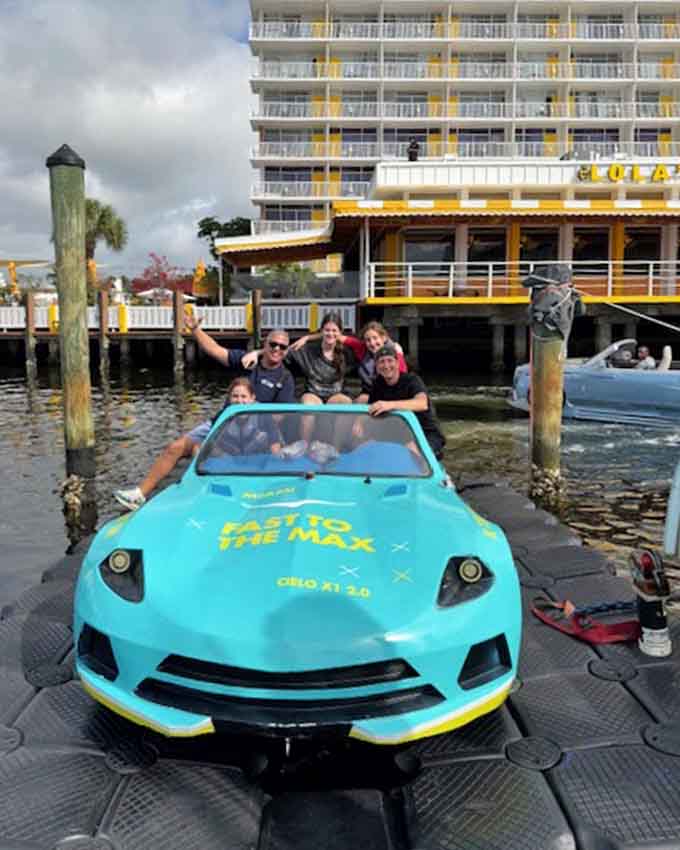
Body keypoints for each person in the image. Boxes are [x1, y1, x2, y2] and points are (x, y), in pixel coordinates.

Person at [113, 378, 281, 511]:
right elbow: (196, 437)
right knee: (185, 448)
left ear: (252, 399)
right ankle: (140, 494)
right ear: (229, 399)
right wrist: (186, 448)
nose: (239, 401)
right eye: (235, 397)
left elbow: (275, 447)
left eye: (244, 397)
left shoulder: (263, 415)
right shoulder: (223, 416)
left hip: (256, 469)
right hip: (231, 466)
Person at [185, 314, 295, 403]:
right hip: (228, 420)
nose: (277, 349)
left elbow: (280, 416)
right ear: (265, 344)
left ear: (286, 351)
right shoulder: (246, 360)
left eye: (282, 347)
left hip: (257, 427)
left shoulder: (285, 378)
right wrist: (195, 330)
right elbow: (215, 350)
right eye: (273, 344)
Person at [290, 320, 407, 403]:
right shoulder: (362, 349)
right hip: (371, 392)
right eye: (368, 340)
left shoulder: (395, 355)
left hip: (391, 394)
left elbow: (402, 381)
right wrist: (307, 338)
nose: (372, 343)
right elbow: (334, 335)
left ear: (384, 338)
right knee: (359, 401)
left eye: (375, 338)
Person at [367, 344, 446, 459]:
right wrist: (359, 423)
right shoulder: (377, 383)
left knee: (412, 450)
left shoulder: (412, 380)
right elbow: (371, 408)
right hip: (399, 433)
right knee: (367, 445)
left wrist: (389, 405)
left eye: (390, 361)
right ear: (377, 366)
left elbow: (422, 404)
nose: (386, 365)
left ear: (398, 363)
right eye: (381, 362)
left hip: (426, 433)